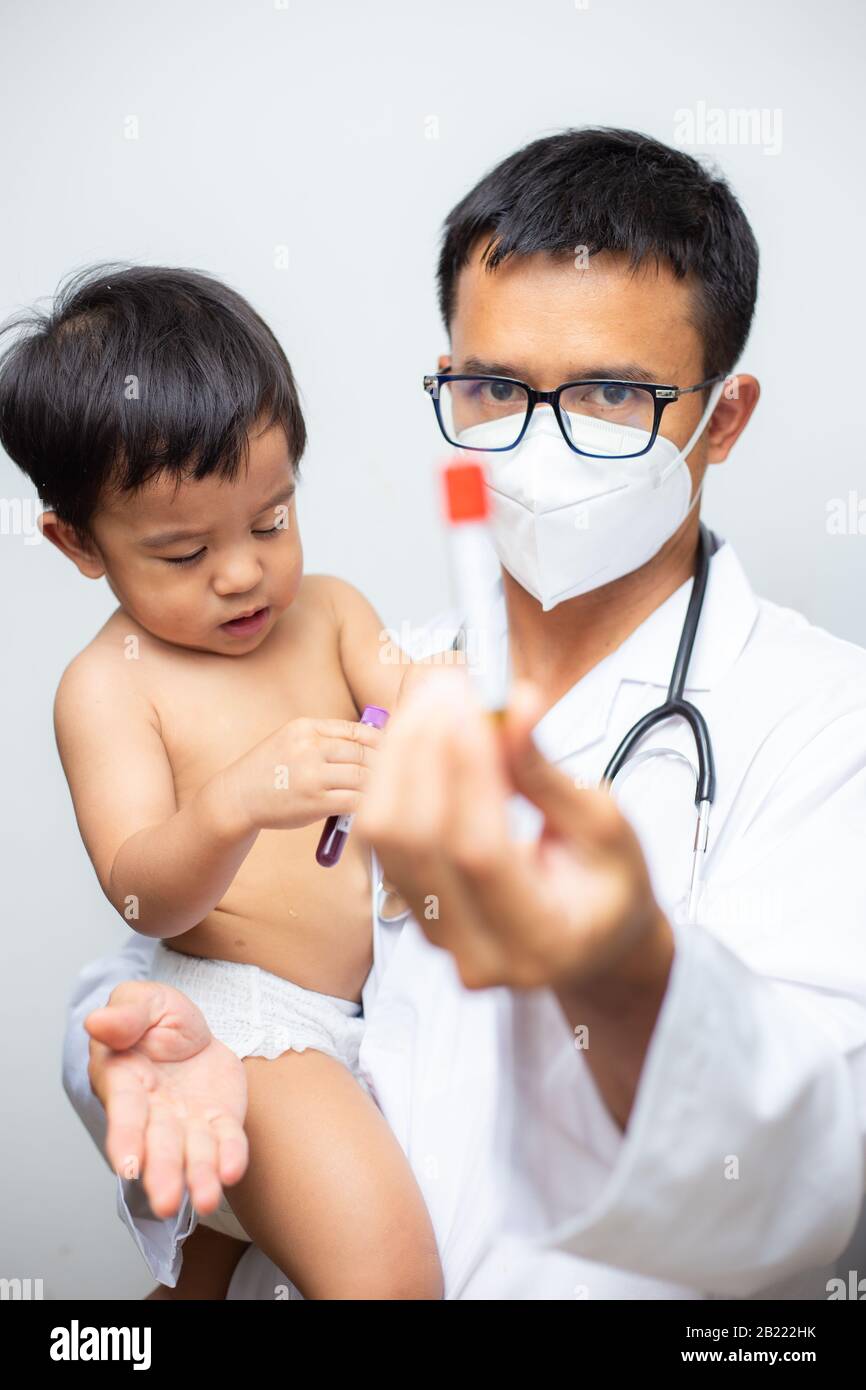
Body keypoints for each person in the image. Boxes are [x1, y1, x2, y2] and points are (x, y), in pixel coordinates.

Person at [61, 128, 866, 1299]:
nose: (538, 442)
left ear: (721, 418)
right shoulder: (384, 670)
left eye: (607, 392)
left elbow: (812, 1183)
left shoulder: (821, 721)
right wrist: (149, 1067)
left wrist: (628, 973)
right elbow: (182, 951)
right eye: (491, 386)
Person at [0, 265, 443, 1299]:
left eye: (270, 520)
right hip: (245, 1023)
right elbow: (144, 891)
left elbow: (423, 709)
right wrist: (236, 798)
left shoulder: (330, 611)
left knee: (208, 1280)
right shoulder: (110, 688)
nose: (242, 572)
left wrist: (442, 692)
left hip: (367, 1010)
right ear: (77, 543)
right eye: (184, 550)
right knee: (385, 1276)